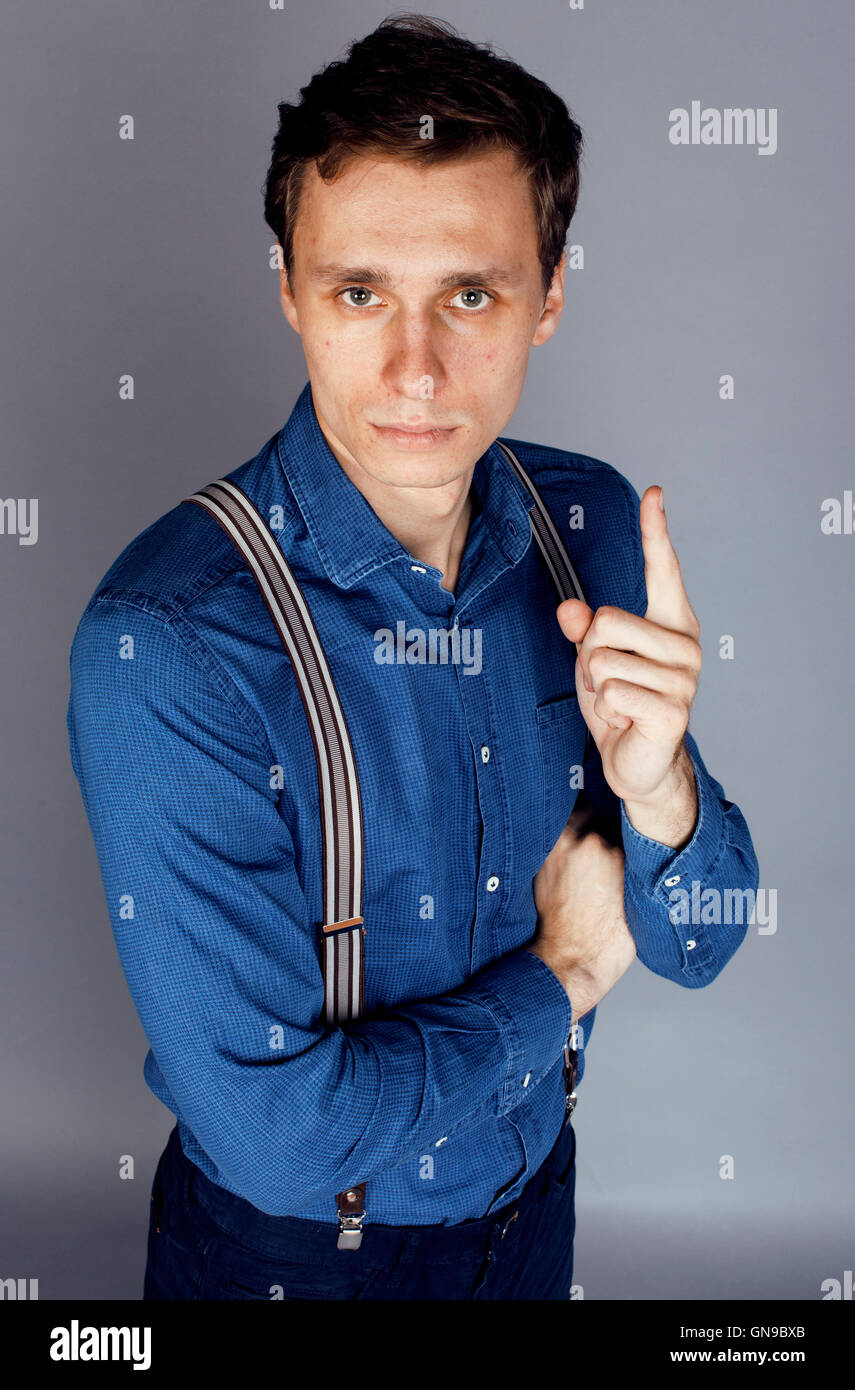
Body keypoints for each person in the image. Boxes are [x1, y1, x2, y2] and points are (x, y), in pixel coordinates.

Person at [65, 13, 758, 1301]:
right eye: (360, 291)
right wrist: (564, 976)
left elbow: (704, 942)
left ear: (550, 296)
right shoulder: (169, 642)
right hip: (296, 1260)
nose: (416, 369)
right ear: (288, 288)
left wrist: (662, 793)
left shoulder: (593, 521)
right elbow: (277, 1137)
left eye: (473, 294)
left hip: (531, 1215)